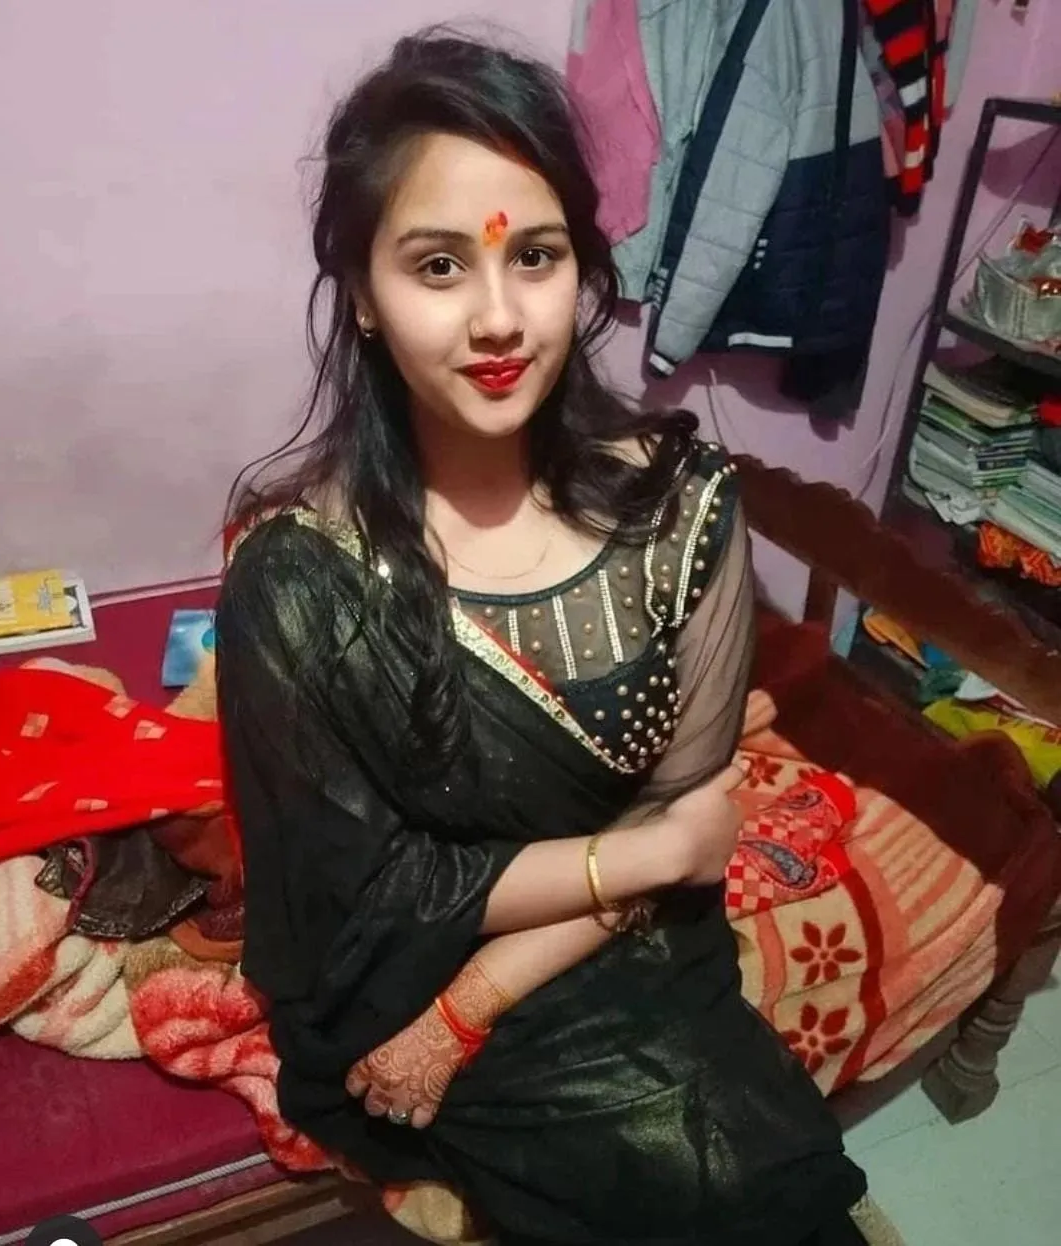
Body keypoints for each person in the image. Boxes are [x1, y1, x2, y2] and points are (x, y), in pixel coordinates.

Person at [215, 31, 891, 1246]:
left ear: (580, 265)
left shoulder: (677, 509)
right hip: (399, 976)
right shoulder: (300, 582)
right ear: (361, 294)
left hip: (622, 949)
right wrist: (624, 868)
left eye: (535, 255)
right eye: (437, 265)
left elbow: (684, 827)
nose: (498, 319)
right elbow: (358, 903)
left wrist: (476, 1000)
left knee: (766, 1181)